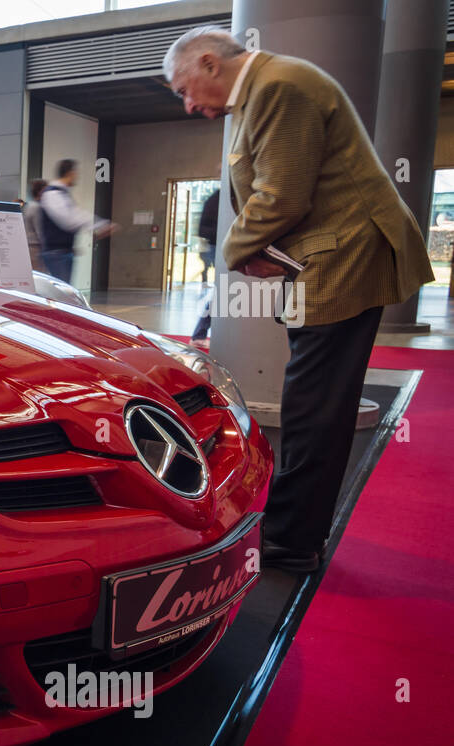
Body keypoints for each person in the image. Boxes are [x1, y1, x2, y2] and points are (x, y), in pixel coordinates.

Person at [164, 26, 432, 573]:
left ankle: (292, 542)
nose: (189, 104)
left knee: (315, 406)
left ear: (210, 63)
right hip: (328, 256)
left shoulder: (280, 85)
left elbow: (282, 194)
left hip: (344, 258)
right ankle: (294, 532)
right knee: (315, 401)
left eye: (182, 89)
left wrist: (233, 254)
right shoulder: (266, 88)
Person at [38, 159, 117, 283]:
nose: (77, 176)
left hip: (61, 252)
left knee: (64, 292)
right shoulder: (53, 193)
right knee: (62, 295)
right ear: (70, 173)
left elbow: (73, 216)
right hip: (56, 253)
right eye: (76, 172)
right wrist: (98, 225)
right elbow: (68, 219)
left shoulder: (61, 193)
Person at [191, 189, 220, 347]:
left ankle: (199, 334)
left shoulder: (218, 198)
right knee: (221, 292)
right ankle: (198, 334)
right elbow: (204, 228)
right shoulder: (217, 199)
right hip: (219, 248)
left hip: (219, 247)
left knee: (220, 293)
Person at [23, 179, 47, 270]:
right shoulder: (37, 207)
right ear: (41, 191)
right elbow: (40, 230)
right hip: (35, 249)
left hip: (30, 247)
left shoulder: (29, 206)